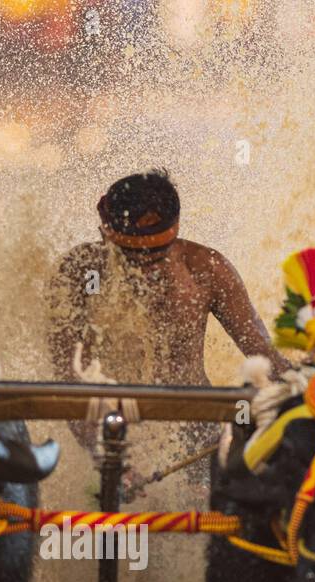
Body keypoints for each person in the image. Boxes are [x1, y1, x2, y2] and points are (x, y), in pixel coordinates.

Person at [47, 169, 290, 455]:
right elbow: (70, 379)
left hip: (199, 435)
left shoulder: (207, 269)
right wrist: (102, 451)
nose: (148, 270)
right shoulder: (78, 272)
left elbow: (263, 354)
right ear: (105, 233)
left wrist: (312, 384)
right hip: (112, 436)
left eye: (158, 255)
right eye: (132, 257)